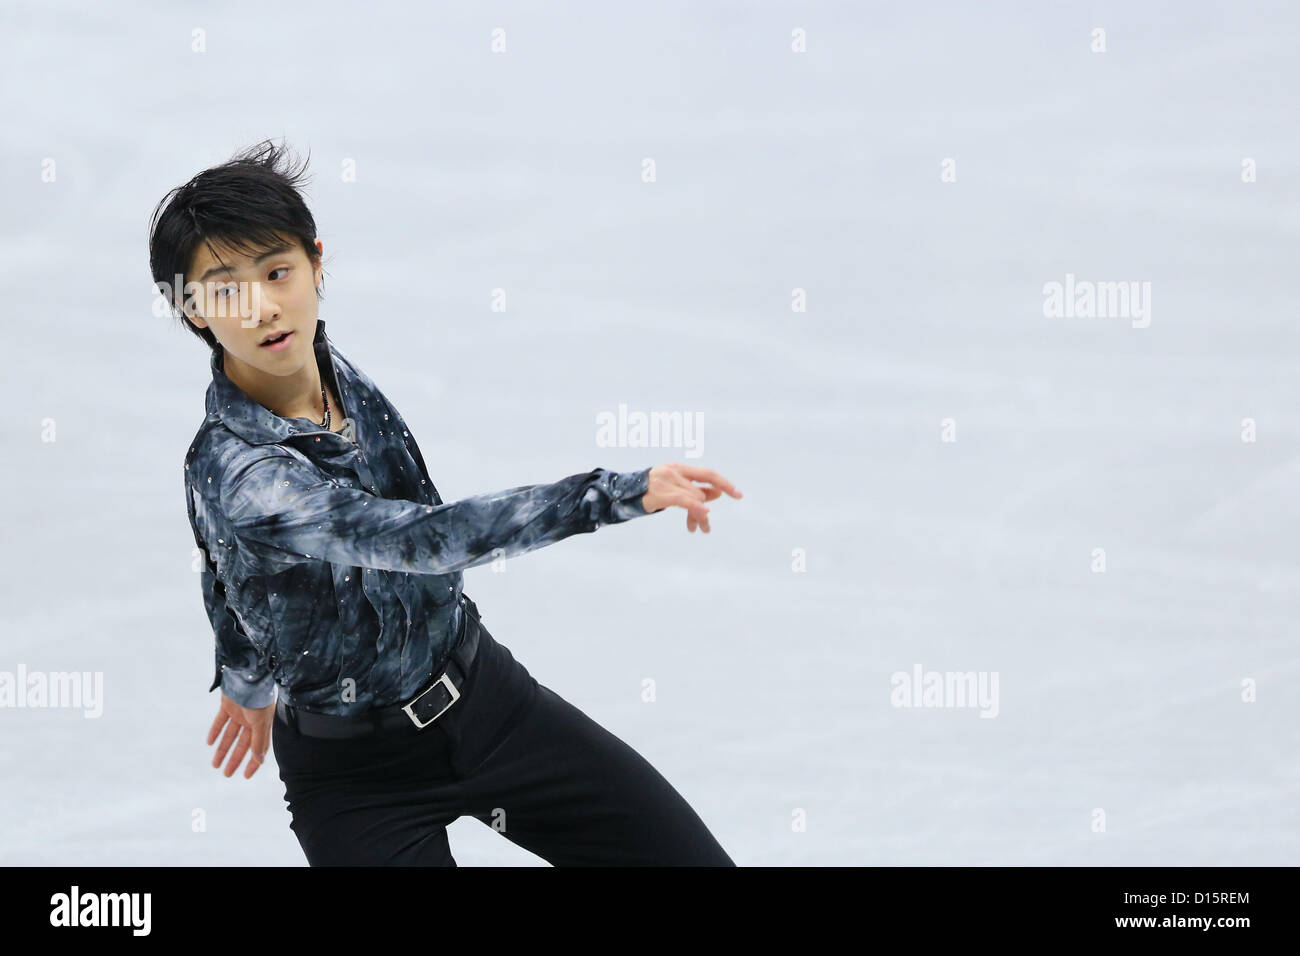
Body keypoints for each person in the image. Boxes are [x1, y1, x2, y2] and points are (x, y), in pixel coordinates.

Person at [148, 139, 742, 865]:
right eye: (227, 289)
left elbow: (227, 572)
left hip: (485, 701)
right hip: (358, 783)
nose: (265, 307)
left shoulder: (325, 366)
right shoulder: (240, 473)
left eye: (278, 272)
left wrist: (246, 680)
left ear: (316, 264)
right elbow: (421, 541)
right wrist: (607, 496)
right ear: (192, 311)